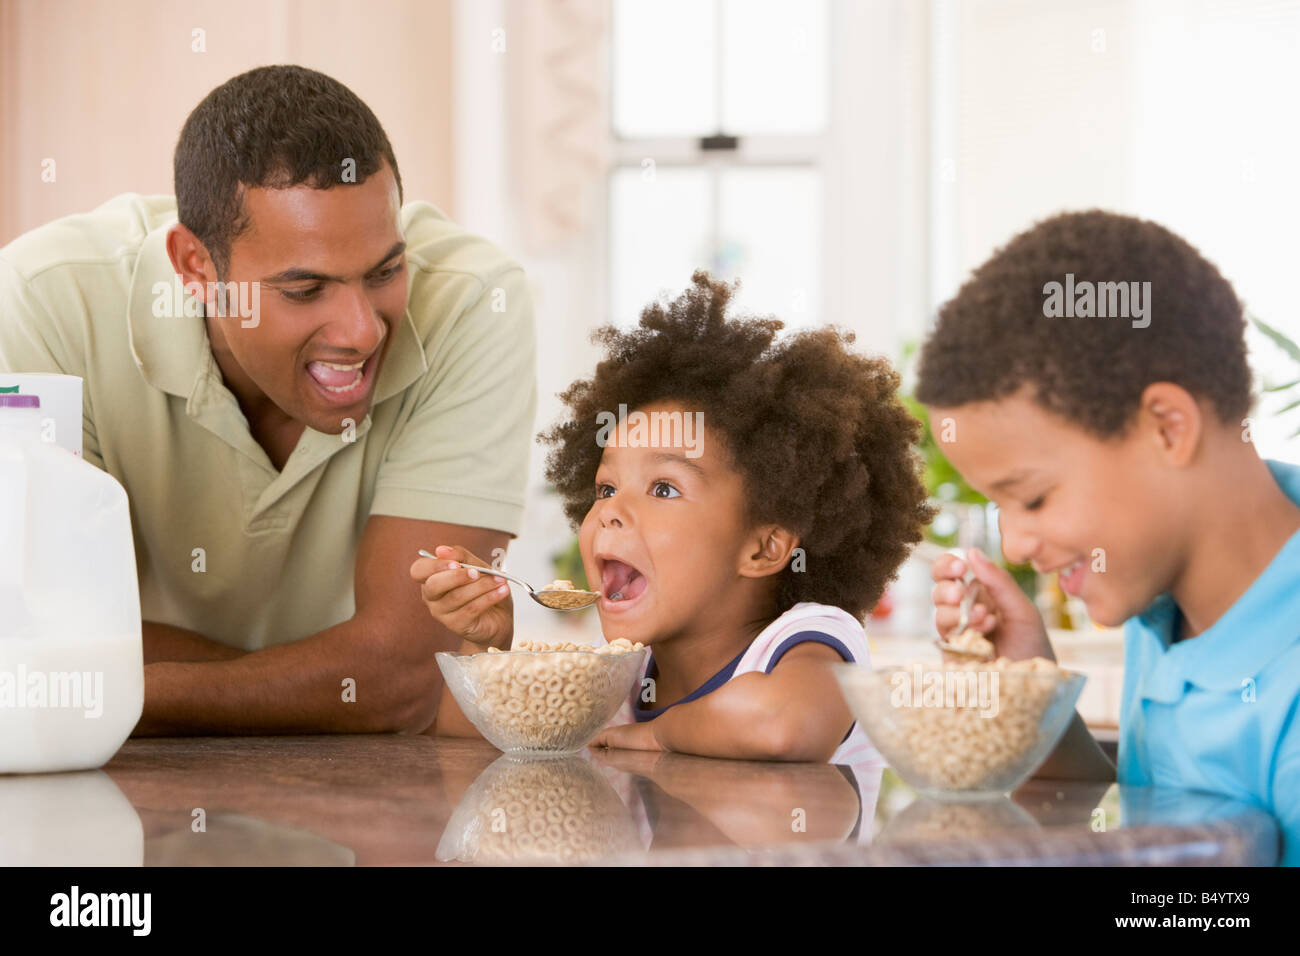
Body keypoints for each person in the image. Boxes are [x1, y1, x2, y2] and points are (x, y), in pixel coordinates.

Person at [0, 65, 537, 735]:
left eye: (384, 271)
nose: (363, 331)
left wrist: (110, 692)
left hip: (363, 806)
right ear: (196, 268)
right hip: (113, 793)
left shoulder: (473, 302)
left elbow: (400, 679)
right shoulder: (46, 302)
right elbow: (30, 639)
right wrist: (327, 680)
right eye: (305, 290)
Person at [414, 271, 934, 762]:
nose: (611, 510)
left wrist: (659, 732)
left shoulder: (807, 641)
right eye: (606, 487)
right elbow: (470, 744)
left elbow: (782, 724)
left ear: (763, 548)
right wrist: (485, 645)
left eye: (663, 487)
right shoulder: (623, 672)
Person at [915, 210, 1300, 865]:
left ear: (1168, 428)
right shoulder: (1169, 603)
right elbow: (1147, 832)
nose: (1015, 547)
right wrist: (1037, 703)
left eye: (1032, 497)